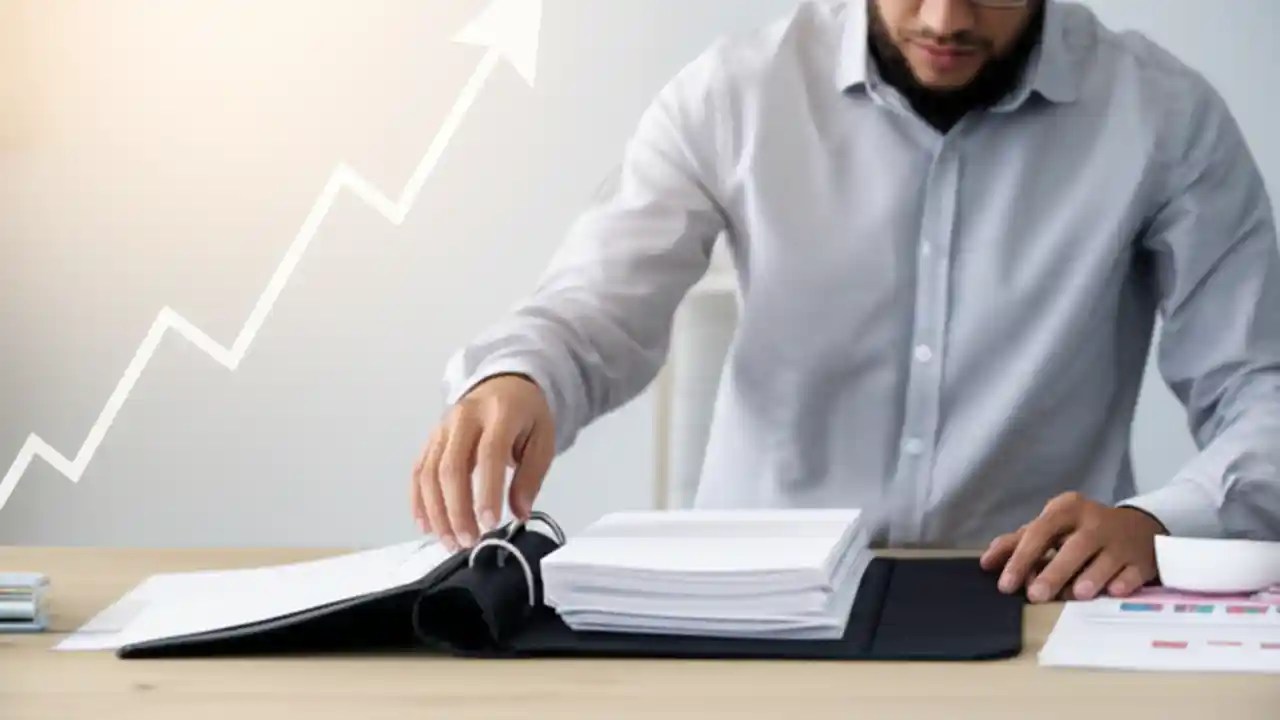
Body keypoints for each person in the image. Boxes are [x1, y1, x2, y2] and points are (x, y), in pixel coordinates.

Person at [411, 0, 1280, 604]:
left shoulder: (1164, 118)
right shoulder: (736, 92)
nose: (945, 20)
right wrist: (519, 376)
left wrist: (1160, 522)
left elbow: (1261, 390)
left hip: (1039, 603)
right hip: (747, 605)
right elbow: (596, 302)